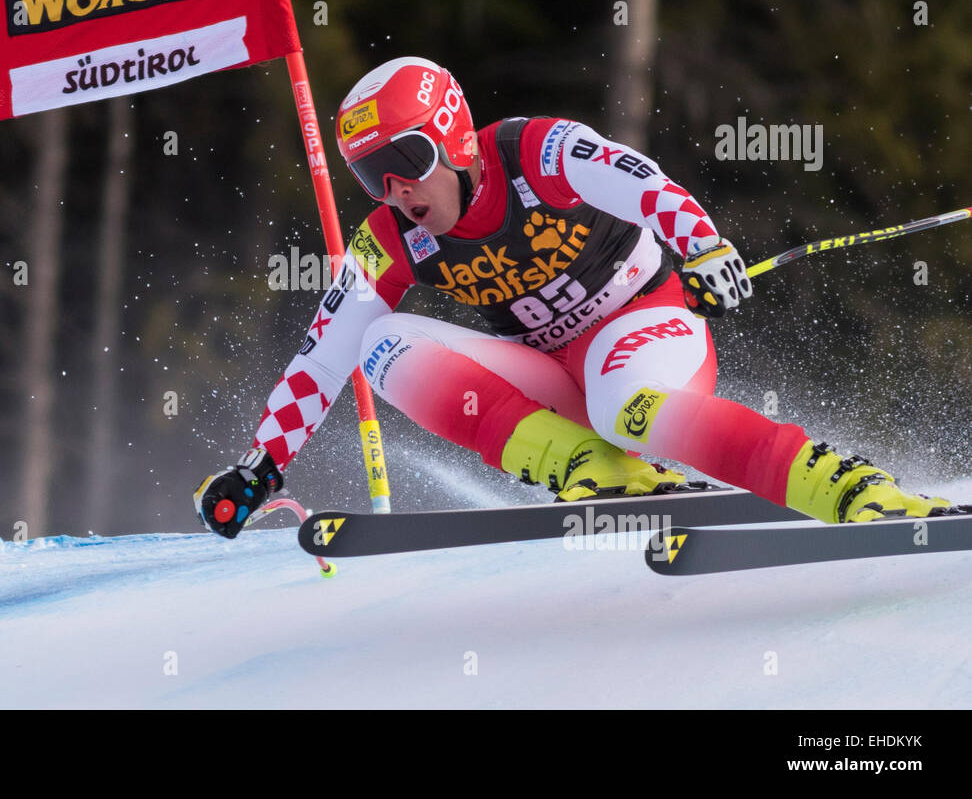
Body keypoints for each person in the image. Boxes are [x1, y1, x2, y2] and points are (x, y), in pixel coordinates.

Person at [194, 56, 951, 538]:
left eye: (406, 160)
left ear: (452, 136)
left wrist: (705, 246)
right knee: (379, 346)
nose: (395, 189)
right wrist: (260, 465)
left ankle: (847, 488)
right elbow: (322, 352)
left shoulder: (535, 152)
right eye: (371, 175)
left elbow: (642, 182)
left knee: (630, 403)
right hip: (553, 376)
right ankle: (598, 471)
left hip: (645, 328)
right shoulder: (393, 236)